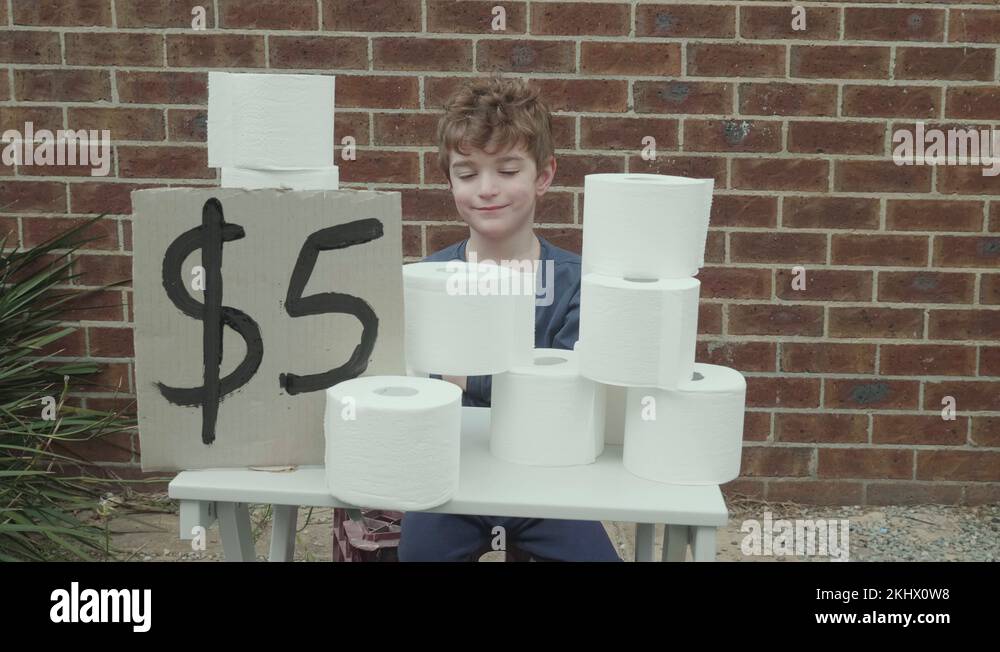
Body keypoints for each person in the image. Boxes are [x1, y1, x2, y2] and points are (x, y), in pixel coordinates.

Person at [397, 74, 623, 562]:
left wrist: (461, 374)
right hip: (451, 479)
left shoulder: (576, 282)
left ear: (543, 176)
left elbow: (561, 401)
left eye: (507, 170)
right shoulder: (428, 279)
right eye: (467, 173)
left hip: (550, 479)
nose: (487, 190)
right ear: (449, 180)